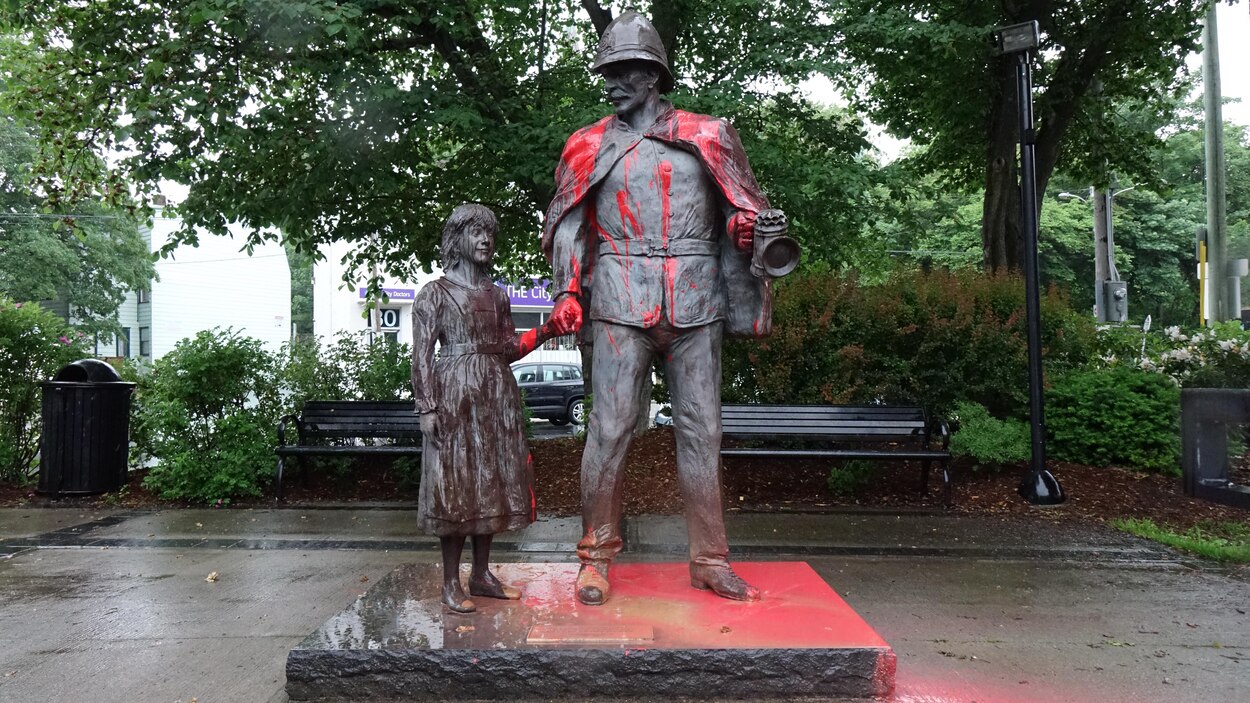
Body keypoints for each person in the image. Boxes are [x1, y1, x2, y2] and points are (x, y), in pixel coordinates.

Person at [540, 12, 783, 606]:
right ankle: (595, 557)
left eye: (621, 72)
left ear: (652, 75)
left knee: (703, 431)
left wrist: (748, 230)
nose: (610, 84)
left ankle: (710, 560)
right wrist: (567, 291)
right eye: (606, 74)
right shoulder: (588, 144)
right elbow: (568, 225)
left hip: (696, 302)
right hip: (619, 301)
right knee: (608, 431)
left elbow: (740, 210)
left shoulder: (710, 135)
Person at [411, 203, 566, 613]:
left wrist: (548, 329)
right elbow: (421, 356)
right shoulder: (435, 294)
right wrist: (427, 407)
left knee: (490, 482)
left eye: (490, 234)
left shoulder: (497, 296)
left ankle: (481, 575)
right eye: (477, 232)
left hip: (496, 394)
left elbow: (508, 348)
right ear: (457, 239)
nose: (486, 240)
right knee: (455, 485)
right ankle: (450, 582)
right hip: (454, 395)